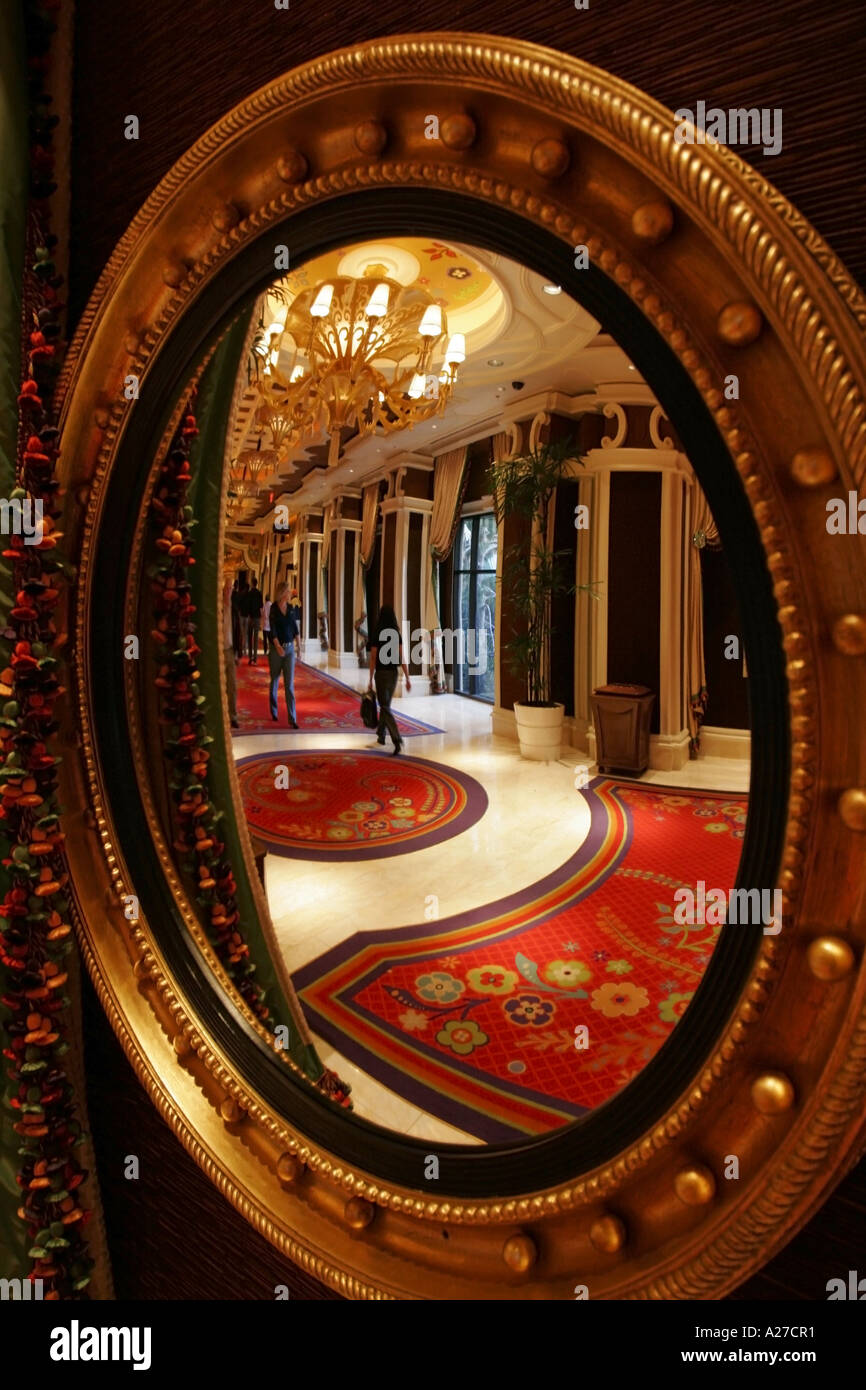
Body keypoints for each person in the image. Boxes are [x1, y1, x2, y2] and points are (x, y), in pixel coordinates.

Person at [368, 603, 411, 755]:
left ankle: (396, 739)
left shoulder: (377, 632)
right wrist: (407, 677)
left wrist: (370, 678)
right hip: (393, 674)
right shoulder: (396, 633)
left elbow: (373, 657)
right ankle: (381, 735)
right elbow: (401, 656)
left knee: (385, 707)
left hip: (381, 673)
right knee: (386, 705)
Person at [268, 583, 301, 728]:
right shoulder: (273, 609)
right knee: (275, 680)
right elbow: (272, 630)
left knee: (289, 685)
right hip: (276, 650)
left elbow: (295, 629)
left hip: (289, 651)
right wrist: (277, 646)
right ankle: (274, 710)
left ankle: (292, 718)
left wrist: (299, 647)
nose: (290, 593)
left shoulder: (291, 609)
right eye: (288, 591)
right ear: (282, 593)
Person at [222, 578, 239, 729]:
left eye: (230, 589)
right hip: (219, 651)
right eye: (226, 589)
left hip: (230, 650)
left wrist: (239, 652)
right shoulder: (217, 608)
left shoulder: (234, 609)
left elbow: (238, 631)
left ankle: (233, 716)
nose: (228, 591)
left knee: (232, 685)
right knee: (220, 684)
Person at [243, 578, 264, 664]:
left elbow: (247, 607)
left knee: (249, 637)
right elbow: (261, 606)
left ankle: (250, 657)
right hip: (257, 618)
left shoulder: (249, 594)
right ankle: (255, 658)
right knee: (255, 638)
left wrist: (248, 616)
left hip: (250, 617)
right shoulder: (259, 593)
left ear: (252, 584)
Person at [261, 593, 272, 661]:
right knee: (270, 639)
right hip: (270, 625)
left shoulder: (264, 605)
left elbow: (263, 614)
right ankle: (270, 650)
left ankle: (265, 651)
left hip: (265, 624)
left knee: (265, 639)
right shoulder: (271, 605)